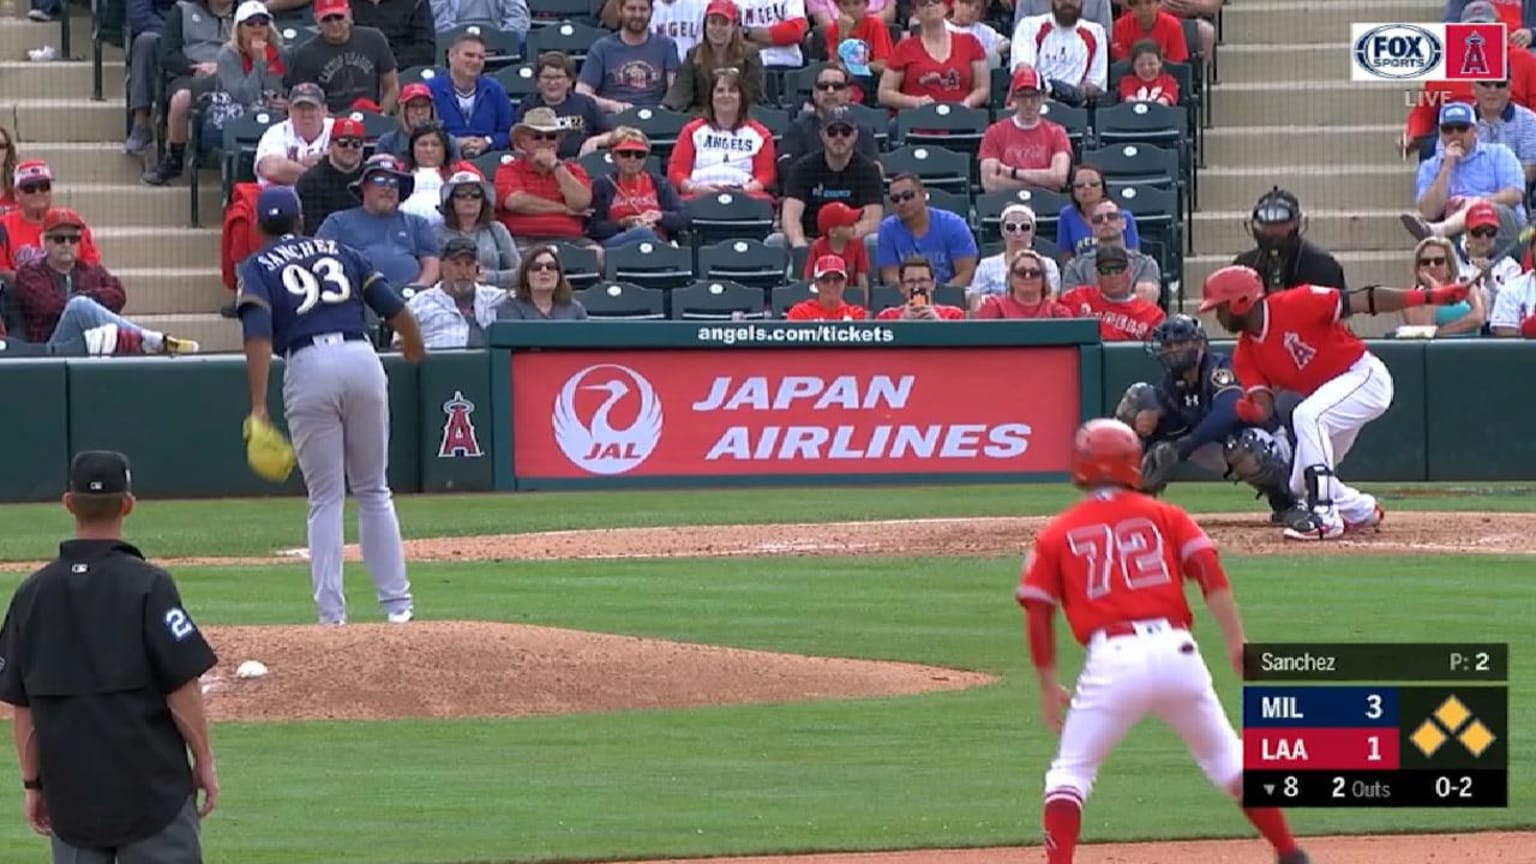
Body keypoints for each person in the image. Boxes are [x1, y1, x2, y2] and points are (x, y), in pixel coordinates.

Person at [1016, 418, 1313, 864]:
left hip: (1113, 659)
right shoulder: (1168, 515)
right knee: (1229, 760)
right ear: (1134, 462)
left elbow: (1038, 613)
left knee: (1070, 774)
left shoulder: (1056, 532)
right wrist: (1236, 641)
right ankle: (1290, 853)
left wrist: (1044, 684)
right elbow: (1212, 576)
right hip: (1178, 653)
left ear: (1080, 464)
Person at [0, 450, 220, 863]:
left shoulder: (31, 595)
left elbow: (22, 709)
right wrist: (204, 760)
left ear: (68, 503)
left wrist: (32, 784)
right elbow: (181, 688)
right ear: (128, 504)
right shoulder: (150, 586)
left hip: (72, 801)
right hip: (153, 795)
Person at [234, 185, 427, 623]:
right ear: (300, 219)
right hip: (362, 357)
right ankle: (398, 609)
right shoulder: (341, 249)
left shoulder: (257, 264)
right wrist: (414, 344)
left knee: (326, 497)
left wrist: (259, 404)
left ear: (261, 226)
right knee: (375, 489)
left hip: (308, 363)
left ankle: (331, 616)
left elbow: (258, 332)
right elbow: (393, 307)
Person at [1197, 265, 1469, 540]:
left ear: (1241, 301)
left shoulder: (1296, 301)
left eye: (1221, 307)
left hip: (1364, 377)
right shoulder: (1246, 352)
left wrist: (1431, 296)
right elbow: (1264, 407)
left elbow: (1366, 299)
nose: (1218, 316)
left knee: (1306, 415)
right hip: (1331, 398)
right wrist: (1250, 408)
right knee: (1299, 484)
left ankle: (1326, 518)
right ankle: (1362, 509)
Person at [1115, 314, 1304, 524]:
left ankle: (1287, 502)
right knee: (1139, 396)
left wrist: (1183, 446)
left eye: (1181, 342)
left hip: (1268, 445)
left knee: (1245, 444)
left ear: (1199, 344)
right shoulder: (1171, 383)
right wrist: (1150, 428)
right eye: (1168, 344)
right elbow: (1178, 427)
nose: (1174, 349)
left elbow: (1229, 412)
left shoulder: (1219, 369)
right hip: (1218, 449)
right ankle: (1132, 498)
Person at [668, 68, 776, 199]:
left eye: (732, 91)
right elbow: (676, 172)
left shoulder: (761, 135)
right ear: (711, 97)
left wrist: (743, 191)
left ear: (742, 97)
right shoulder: (691, 131)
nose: (726, 95)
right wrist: (694, 188)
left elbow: (766, 175)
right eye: (720, 91)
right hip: (699, 195)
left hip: (744, 196)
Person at [1231, 186, 1346, 294]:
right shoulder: (1242, 268)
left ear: (1297, 223)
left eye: (1281, 224)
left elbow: (1338, 311)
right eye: (1267, 225)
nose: (1274, 231)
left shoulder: (1324, 266)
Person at [588, 126, 689, 248]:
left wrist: (659, 216)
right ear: (613, 156)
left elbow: (683, 218)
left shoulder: (659, 183)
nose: (632, 159)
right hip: (617, 244)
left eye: (639, 154)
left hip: (657, 238)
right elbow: (593, 228)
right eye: (625, 154)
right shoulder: (602, 185)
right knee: (643, 233)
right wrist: (623, 223)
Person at [878, 0, 987, 110]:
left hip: (961, 119)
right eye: (923, 2)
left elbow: (982, 88)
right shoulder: (904, 48)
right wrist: (915, 102)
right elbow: (884, 93)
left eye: (936, 1)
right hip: (916, 120)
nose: (930, 4)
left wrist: (967, 103)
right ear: (915, 12)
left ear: (946, 7)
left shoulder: (970, 43)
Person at [875, 173, 979, 287]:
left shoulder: (954, 225)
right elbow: (891, 278)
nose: (902, 202)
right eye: (895, 199)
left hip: (949, 298)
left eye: (908, 195)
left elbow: (966, 274)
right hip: (905, 299)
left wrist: (936, 296)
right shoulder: (887, 230)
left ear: (923, 195)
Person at [978, 67, 1072, 194]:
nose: (1028, 103)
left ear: (1043, 97)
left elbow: (1059, 178)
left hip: (1045, 203)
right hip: (1006, 203)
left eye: (1033, 96)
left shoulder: (1057, 133)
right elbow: (989, 183)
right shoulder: (994, 132)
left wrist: (1013, 173)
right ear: (1014, 98)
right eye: (1023, 96)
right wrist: (1042, 183)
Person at [578, 0, 681, 113]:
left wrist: (664, 108)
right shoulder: (602, 48)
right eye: (631, 9)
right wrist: (612, 105)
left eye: (643, 9)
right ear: (620, 11)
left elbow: (675, 91)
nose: (637, 15)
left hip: (656, 117)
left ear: (651, 12)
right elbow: (582, 93)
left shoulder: (667, 45)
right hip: (615, 118)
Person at [406, 235, 509, 347]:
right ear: (443, 266)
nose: (463, 272)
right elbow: (399, 347)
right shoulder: (419, 304)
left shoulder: (497, 299)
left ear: (477, 267)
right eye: (456, 264)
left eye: (469, 264)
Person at [664, 0, 766, 112]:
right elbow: (681, 90)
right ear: (705, 25)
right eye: (713, 22)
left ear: (734, 26)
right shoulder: (693, 55)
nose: (717, 28)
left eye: (724, 23)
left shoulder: (750, 54)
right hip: (702, 117)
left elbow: (753, 96)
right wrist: (665, 108)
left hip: (741, 116)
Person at [1057, 242, 1164, 341]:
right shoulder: (1077, 298)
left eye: (1118, 269)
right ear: (1097, 274)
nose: (1112, 276)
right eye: (1105, 270)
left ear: (1129, 271)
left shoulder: (1152, 315)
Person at [437, 168, 521, 290]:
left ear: (483, 201)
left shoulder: (497, 230)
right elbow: (435, 272)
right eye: (461, 195)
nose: (469, 199)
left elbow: (520, 273)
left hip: (495, 295)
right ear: (451, 201)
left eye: (476, 195)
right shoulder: (437, 233)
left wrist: (490, 277)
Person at [971, 203, 1061, 302]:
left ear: (1033, 231)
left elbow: (1051, 302)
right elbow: (976, 306)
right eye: (1011, 227)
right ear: (1002, 231)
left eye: (1025, 227)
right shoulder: (986, 266)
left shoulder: (1048, 265)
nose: (1018, 233)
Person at [1402, 236, 1484, 337]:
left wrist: (1440, 332)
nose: (1432, 266)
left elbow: (1478, 318)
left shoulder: (1466, 287)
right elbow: (1425, 331)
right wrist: (1434, 290)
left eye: (1439, 261)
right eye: (1425, 262)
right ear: (1418, 268)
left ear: (1449, 266)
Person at [1058, 162, 1139, 257]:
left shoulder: (1124, 216)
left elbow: (1134, 256)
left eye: (1093, 184)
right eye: (1080, 185)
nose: (1087, 188)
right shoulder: (1066, 216)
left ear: (1103, 188)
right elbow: (1066, 257)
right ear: (1073, 191)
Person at [496, 246, 591, 319]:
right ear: (525, 275)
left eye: (551, 266)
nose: (544, 271)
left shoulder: (575, 309)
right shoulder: (509, 308)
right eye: (536, 267)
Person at [973, 248, 1071, 318]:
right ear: (1010, 278)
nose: (1027, 276)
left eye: (1034, 273)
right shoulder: (994, 306)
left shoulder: (1057, 312)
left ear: (1043, 279)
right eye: (1021, 272)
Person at [803, 200, 870, 291]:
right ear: (833, 232)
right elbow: (809, 280)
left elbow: (862, 279)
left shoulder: (857, 244)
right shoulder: (817, 247)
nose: (854, 226)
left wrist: (863, 303)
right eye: (849, 224)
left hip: (851, 299)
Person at [876, 257, 966, 319]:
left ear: (932, 284)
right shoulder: (886, 316)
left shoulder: (955, 314)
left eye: (922, 280)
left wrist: (937, 322)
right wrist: (902, 323)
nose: (917, 286)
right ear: (901, 287)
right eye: (910, 281)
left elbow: (962, 342)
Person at [785, 255, 867, 318]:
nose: (831, 284)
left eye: (837, 279)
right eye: (825, 279)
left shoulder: (856, 314)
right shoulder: (800, 313)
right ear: (816, 283)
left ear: (844, 282)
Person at [1117, 39, 1178, 106]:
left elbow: (1165, 101)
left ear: (1160, 63)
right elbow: (1129, 99)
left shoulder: (1169, 81)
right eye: (1141, 65)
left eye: (1151, 64)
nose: (1146, 69)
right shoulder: (1127, 81)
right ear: (1134, 66)